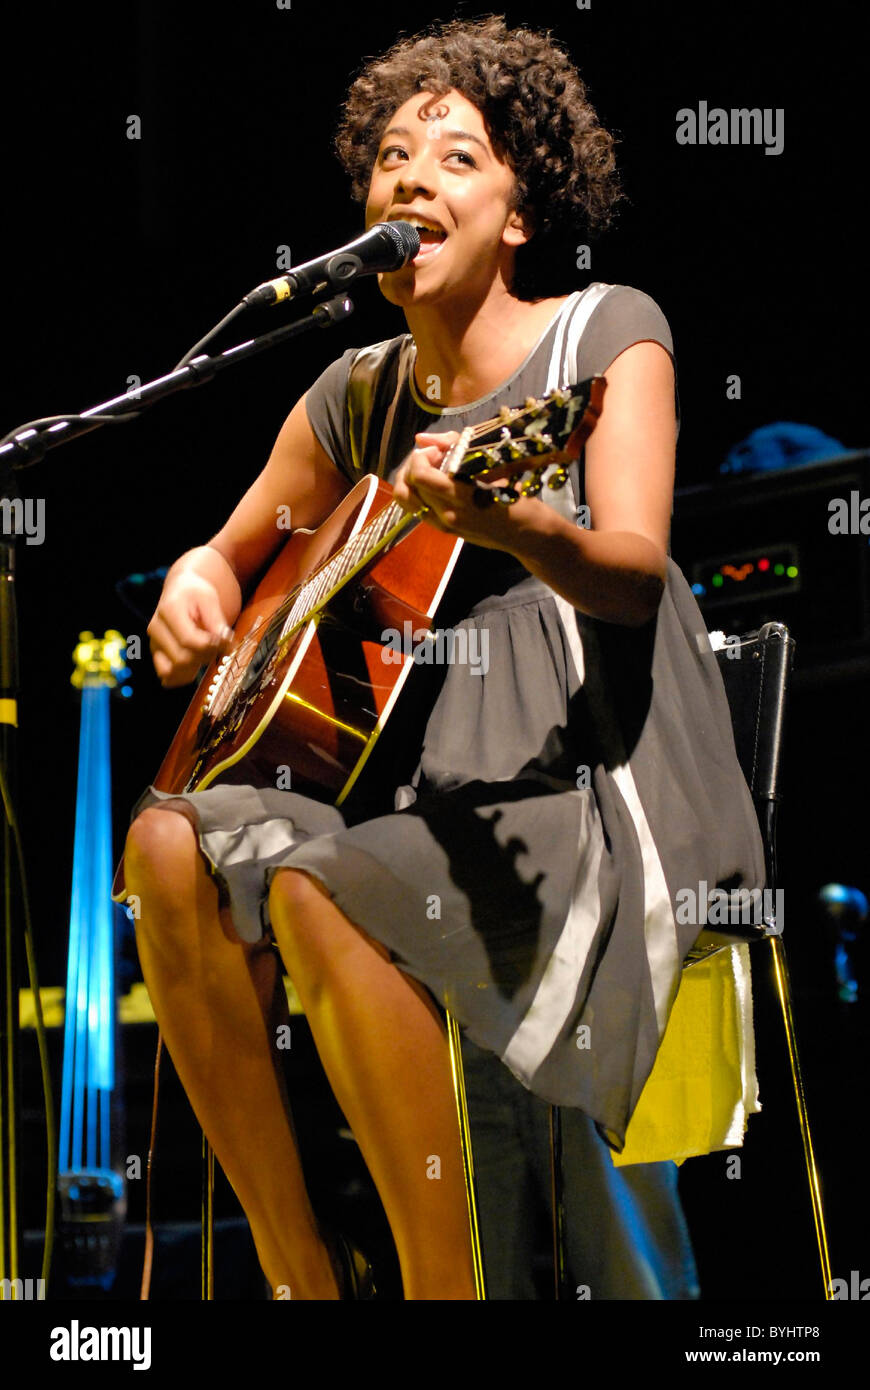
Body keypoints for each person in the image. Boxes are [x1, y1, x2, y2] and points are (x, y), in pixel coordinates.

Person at [119, 16, 765, 1300]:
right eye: (395, 157)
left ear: (519, 215)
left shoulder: (602, 331)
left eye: (458, 156)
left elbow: (634, 568)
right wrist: (195, 592)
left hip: (594, 789)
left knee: (321, 883)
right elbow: (226, 549)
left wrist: (512, 518)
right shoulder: (355, 391)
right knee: (162, 843)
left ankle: (439, 1285)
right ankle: (306, 1274)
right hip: (422, 802)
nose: (416, 176)